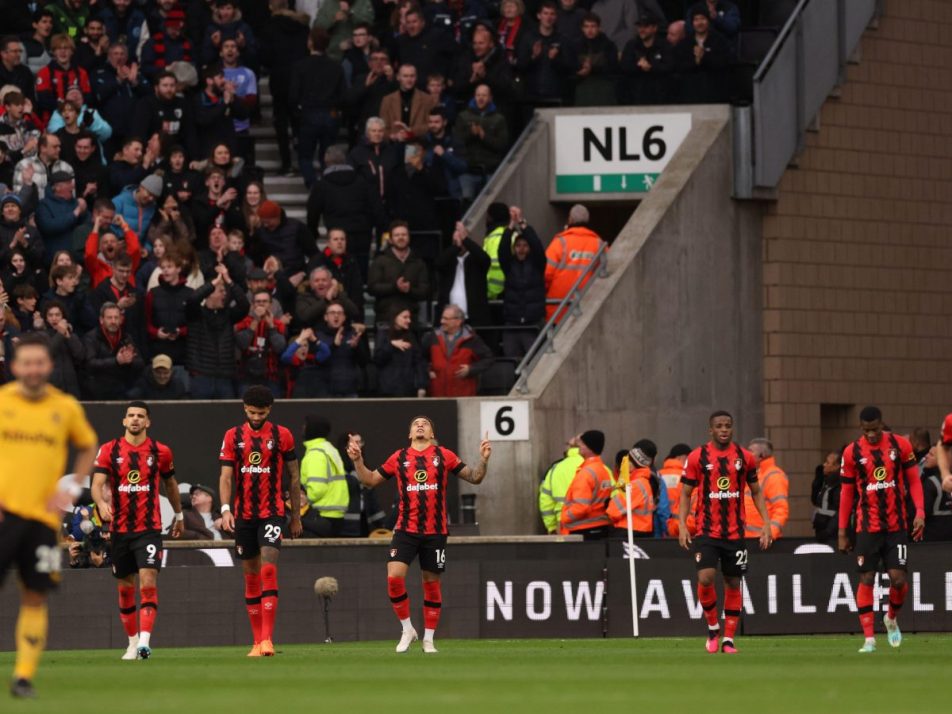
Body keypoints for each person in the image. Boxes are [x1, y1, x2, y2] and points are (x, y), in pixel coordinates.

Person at [0, 332, 98, 698]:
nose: (33, 369)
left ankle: (23, 677)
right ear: (15, 366)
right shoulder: (2, 401)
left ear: (49, 366)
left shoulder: (65, 406)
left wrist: (71, 487)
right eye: (26, 362)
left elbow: (88, 445)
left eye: (39, 362)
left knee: (34, 596)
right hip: (4, 514)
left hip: (42, 521)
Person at [347, 416, 491, 653]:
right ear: (410, 434)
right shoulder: (399, 457)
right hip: (406, 529)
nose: (420, 425)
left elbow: (475, 477)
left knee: (431, 584)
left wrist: (484, 460)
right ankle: (407, 629)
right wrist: (358, 461)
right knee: (394, 578)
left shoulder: (444, 455)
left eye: (425, 423)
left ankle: (429, 639)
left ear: (432, 432)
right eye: (415, 424)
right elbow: (370, 480)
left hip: (435, 531)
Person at [91, 401, 182, 661]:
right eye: (131, 415)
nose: (135, 420)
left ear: (148, 422)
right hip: (119, 529)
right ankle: (131, 643)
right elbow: (97, 484)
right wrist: (101, 503)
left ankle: (145, 643)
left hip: (149, 529)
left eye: (140, 416)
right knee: (125, 589)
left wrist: (178, 515)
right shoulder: (109, 450)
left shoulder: (160, 451)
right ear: (124, 421)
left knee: (149, 581)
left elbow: (171, 485)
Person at [218, 386, 303, 657]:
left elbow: (294, 476)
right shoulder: (233, 436)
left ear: (270, 410)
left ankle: (268, 639)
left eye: (262, 412)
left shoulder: (283, 435)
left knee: (268, 568)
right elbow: (226, 477)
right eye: (252, 412)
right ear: (245, 409)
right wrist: (225, 509)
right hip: (243, 515)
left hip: (272, 511)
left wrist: (295, 516)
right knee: (251, 576)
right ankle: (256, 642)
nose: (256, 417)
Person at [679, 411, 772, 654]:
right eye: (719, 426)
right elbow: (686, 494)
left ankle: (729, 639)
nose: (724, 429)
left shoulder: (745, 457)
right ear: (710, 430)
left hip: (735, 533)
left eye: (728, 426)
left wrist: (766, 523)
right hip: (706, 531)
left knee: (733, 582)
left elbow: (757, 491)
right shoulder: (698, 456)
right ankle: (712, 628)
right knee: (705, 578)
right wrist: (681, 525)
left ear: (732, 429)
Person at [838, 406, 924, 653]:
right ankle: (869, 639)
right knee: (867, 577)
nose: (872, 435)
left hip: (896, 526)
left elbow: (914, 480)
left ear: (882, 424)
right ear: (861, 428)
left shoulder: (900, 446)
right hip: (867, 526)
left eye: (875, 430)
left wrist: (919, 512)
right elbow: (846, 493)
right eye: (867, 431)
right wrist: (843, 531)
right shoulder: (852, 452)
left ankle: (891, 618)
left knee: (898, 580)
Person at [305, 146, 387, 283]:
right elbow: (376, 208)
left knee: (339, 269)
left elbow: (312, 212)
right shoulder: (363, 181)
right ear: (346, 161)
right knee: (361, 270)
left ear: (326, 162)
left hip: (337, 237)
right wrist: (382, 229)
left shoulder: (322, 185)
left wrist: (313, 232)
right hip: (362, 233)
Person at [288, 28, 345, 188]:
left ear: (310, 43)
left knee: (305, 155)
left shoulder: (300, 66)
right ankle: (328, 185)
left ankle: (314, 186)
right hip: (331, 114)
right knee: (327, 154)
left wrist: (296, 114)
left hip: (309, 114)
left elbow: (293, 95)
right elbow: (343, 95)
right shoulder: (336, 66)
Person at [185, 266, 249, 399]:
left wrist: (229, 280)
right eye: (221, 291)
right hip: (201, 376)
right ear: (210, 293)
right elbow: (192, 300)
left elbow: (244, 305)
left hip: (224, 377)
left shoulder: (228, 315)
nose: (225, 294)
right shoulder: (196, 314)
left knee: (226, 418)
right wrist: (213, 283)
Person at [497, 205, 545, 358]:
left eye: (525, 246)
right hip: (512, 323)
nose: (521, 249)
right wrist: (511, 226)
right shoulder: (509, 265)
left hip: (532, 323)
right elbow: (502, 250)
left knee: (533, 362)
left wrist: (523, 224)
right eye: (518, 246)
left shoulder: (537, 264)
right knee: (511, 361)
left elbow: (537, 246)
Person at [544, 204, 606, 320]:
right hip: (588, 305)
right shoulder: (599, 244)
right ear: (588, 220)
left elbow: (546, 274)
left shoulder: (560, 243)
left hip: (558, 308)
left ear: (570, 219)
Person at [367, 220, 430, 325]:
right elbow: (372, 288)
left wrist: (410, 290)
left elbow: (425, 291)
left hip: (411, 319)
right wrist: (395, 287)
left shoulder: (419, 262)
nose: (401, 237)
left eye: (404, 234)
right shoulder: (380, 261)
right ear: (391, 240)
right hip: (386, 318)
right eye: (397, 235)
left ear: (409, 237)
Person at [423, 304, 494, 397]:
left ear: (458, 321)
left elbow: (488, 359)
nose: (442, 321)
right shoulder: (432, 337)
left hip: (463, 395)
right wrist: (427, 370)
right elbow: (420, 358)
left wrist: (471, 369)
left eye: (446, 319)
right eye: (442, 318)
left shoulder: (472, 339)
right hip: (437, 394)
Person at [453, 84, 508, 202]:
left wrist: (484, 136)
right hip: (468, 170)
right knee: (466, 206)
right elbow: (458, 141)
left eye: (484, 95)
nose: (481, 98)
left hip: (490, 170)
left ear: (490, 98)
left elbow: (502, 145)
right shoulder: (463, 116)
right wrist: (471, 134)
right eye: (478, 95)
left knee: (491, 203)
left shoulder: (499, 119)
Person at [299, 415, 348, 537]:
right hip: (335, 514)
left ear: (312, 429)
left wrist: (304, 500)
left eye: (305, 426)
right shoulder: (329, 448)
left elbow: (317, 489)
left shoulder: (316, 453)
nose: (303, 428)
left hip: (321, 514)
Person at [559, 429, 613, 539]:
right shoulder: (603, 470)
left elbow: (581, 507)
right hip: (601, 527)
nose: (579, 446)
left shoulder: (586, 473)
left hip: (583, 529)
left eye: (582, 444)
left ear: (589, 448)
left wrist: (564, 517)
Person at [435, 221, 490, 328]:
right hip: (449, 321)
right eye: (456, 238)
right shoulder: (449, 261)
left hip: (474, 320)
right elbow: (438, 263)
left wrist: (465, 240)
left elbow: (485, 259)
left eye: (462, 238)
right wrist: (457, 246)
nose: (460, 241)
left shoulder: (476, 260)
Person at [235, 290, 287, 397]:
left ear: (270, 304)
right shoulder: (244, 322)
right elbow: (242, 344)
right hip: (247, 377)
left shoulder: (278, 324)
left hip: (271, 376)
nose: (261, 304)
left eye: (265, 301)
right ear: (253, 305)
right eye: (258, 302)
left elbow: (280, 347)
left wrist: (271, 326)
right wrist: (255, 321)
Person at [620, 12, 674, 105]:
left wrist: (651, 67)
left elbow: (670, 66)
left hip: (660, 97)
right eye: (640, 26)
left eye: (646, 26)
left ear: (654, 28)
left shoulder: (664, 45)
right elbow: (624, 66)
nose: (642, 29)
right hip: (635, 96)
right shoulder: (632, 45)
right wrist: (638, 66)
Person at [607, 440, 657, 539]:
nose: (625, 463)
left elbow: (612, 511)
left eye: (627, 460)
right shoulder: (643, 482)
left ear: (632, 464)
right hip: (637, 533)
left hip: (629, 534)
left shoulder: (635, 485)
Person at [374, 307, 427, 398]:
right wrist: (391, 345)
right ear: (395, 317)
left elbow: (418, 361)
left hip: (408, 389)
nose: (409, 320)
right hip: (388, 390)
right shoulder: (383, 334)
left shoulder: (411, 336)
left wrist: (421, 386)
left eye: (409, 317)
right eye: (405, 317)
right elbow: (378, 359)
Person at [744, 437, 789, 541]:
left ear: (761, 456)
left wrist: (770, 534)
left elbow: (781, 510)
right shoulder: (755, 474)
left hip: (761, 541)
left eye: (750, 451)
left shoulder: (774, 476)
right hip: (748, 539)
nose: (746, 455)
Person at [379, 64, 437, 142]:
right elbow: (382, 127)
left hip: (418, 146)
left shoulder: (427, 99)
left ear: (416, 78)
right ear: (398, 77)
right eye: (405, 76)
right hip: (394, 146)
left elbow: (431, 125)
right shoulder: (387, 100)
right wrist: (394, 136)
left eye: (412, 76)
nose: (409, 80)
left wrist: (410, 132)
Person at [538, 435, 584, 534]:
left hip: (563, 524)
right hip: (594, 525)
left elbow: (545, 501)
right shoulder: (598, 467)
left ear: (569, 447)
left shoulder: (555, 469)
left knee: (566, 549)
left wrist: (551, 527)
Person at [573, 12, 619, 107]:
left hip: (604, 88)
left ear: (599, 27)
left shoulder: (609, 45)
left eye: (593, 26)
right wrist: (579, 72)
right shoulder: (575, 46)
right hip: (582, 88)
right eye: (586, 26)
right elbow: (570, 67)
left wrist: (592, 69)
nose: (590, 30)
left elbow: (613, 68)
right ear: (582, 28)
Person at [919, 446, 952, 541]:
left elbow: (922, 512)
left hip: (932, 540)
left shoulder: (931, 482)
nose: (926, 456)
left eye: (931, 454)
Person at [659, 442, 692, 537]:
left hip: (659, 529)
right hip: (679, 527)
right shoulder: (687, 476)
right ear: (681, 458)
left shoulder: (658, 475)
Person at [810, 449, 841, 545]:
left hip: (832, 534)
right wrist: (817, 481)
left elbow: (840, 512)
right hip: (821, 528)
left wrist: (828, 531)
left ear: (837, 466)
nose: (824, 465)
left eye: (828, 463)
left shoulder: (839, 484)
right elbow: (815, 501)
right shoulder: (826, 481)